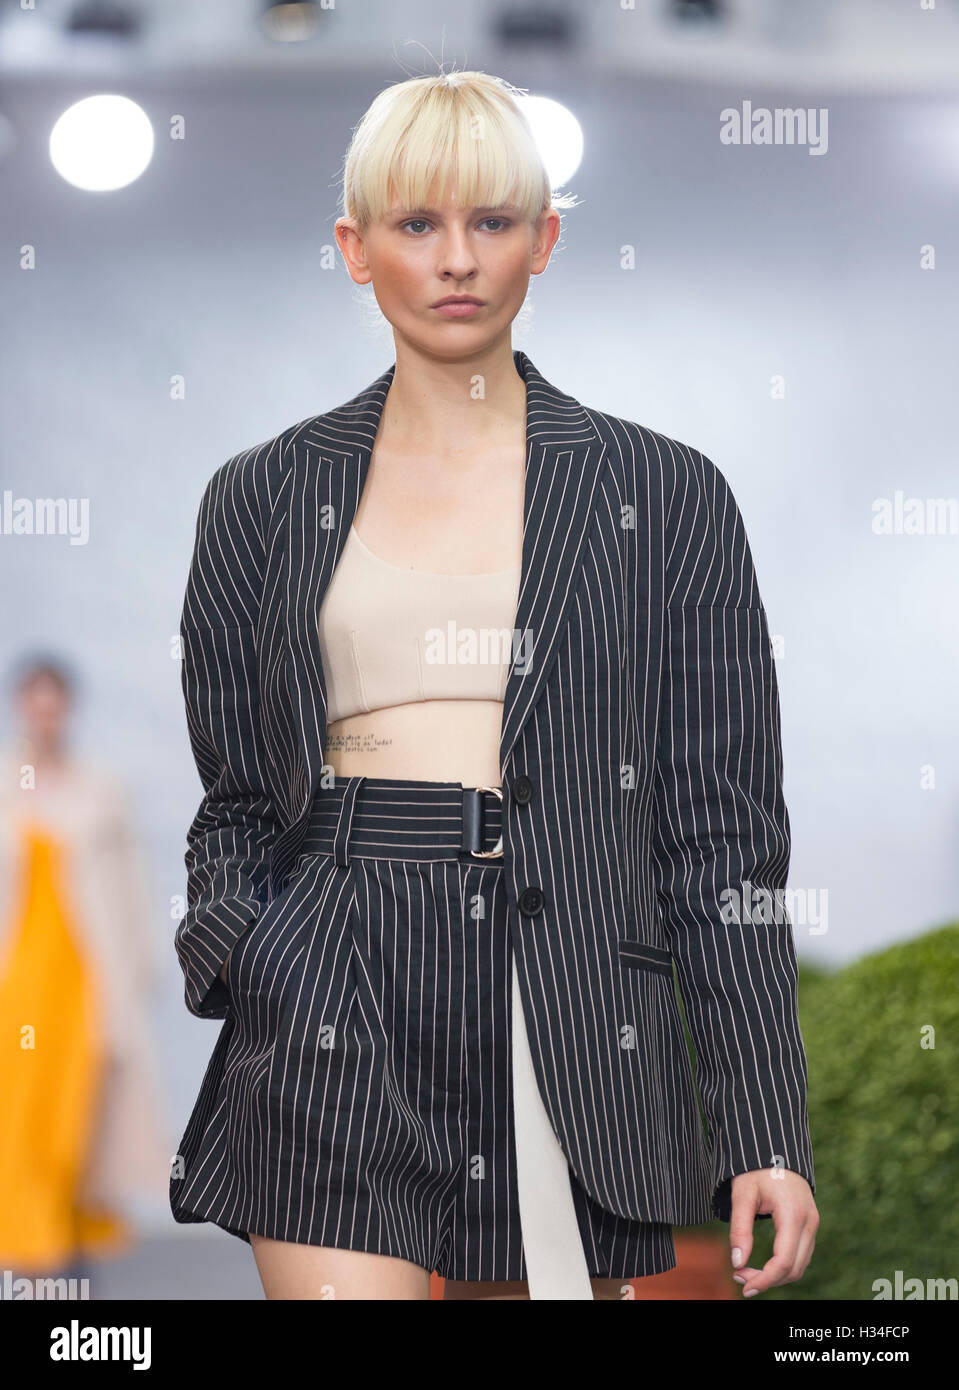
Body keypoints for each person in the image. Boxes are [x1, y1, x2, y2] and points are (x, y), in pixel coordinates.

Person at [169, 68, 818, 1301]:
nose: (456, 259)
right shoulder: (258, 495)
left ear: (545, 240)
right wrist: (248, 951)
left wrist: (763, 1131)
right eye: (416, 225)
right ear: (355, 252)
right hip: (328, 981)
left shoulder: (663, 495)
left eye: (492, 222)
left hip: (561, 981)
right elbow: (240, 795)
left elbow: (723, 839)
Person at [0, 655, 170, 1281]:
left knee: (76, 1119)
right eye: (34, 699)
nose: (44, 711)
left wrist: (141, 970)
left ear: (67, 707)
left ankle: (60, 1266)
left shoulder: (101, 790)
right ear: (22, 705)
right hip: (15, 989)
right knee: (18, 1121)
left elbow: (129, 891)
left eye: (54, 699)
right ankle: (31, 1262)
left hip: (81, 986)